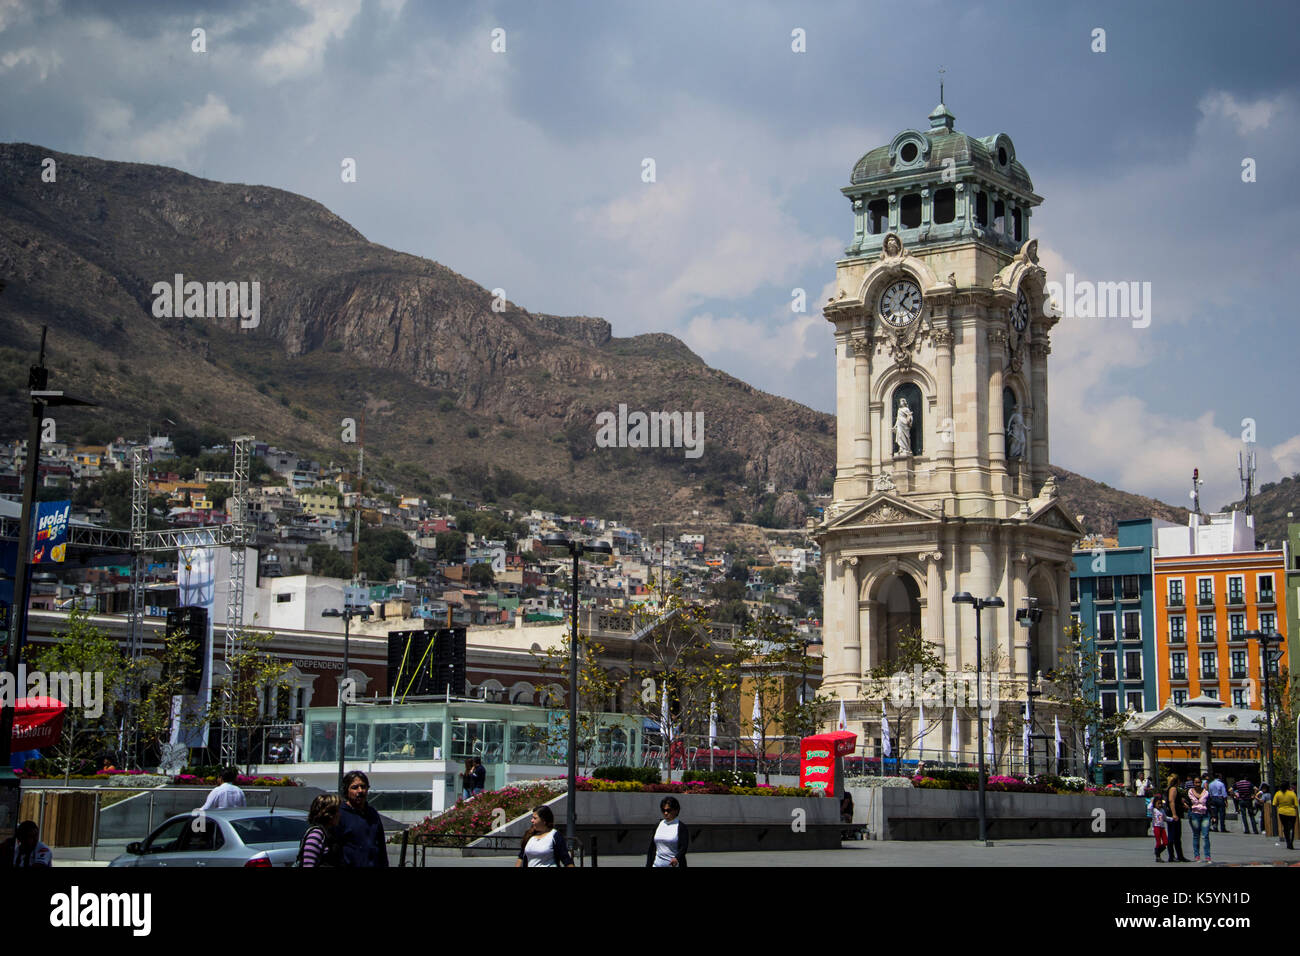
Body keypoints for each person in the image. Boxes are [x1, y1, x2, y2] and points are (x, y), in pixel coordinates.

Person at [335, 770, 388, 867]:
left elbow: (381, 847)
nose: (360, 791)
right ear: (347, 790)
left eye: (363, 787)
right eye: (355, 787)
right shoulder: (339, 815)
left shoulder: (372, 814)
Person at [297, 793, 342, 868]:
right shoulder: (316, 835)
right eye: (337, 811)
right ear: (328, 814)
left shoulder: (331, 834)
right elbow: (308, 864)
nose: (340, 814)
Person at [646, 796, 688, 867]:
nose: (665, 813)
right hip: (656, 864)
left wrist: (676, 858)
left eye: (668, 810)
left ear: (676, 810)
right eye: (663, 810)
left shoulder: (681, 827)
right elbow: (652, 848)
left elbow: (684, 847)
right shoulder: (658, 825)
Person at [1164, 774, 1189, 862]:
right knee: (1174, 836)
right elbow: (1171, 801)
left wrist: (1182, 803)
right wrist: (1174, 814)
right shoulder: (1173, 789)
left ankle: (1178, 855)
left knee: (1176, 836)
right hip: (1173, 816)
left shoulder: (1170, 788)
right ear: (1177, 781)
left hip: (1172, 815)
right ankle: (1173, 856)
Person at [1187, 777, 1211, 863]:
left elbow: (1209, 803)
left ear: (1201, 782)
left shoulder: (1206, 792)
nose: (1197, 784)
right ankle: (1197, 856)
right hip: (1194, 814)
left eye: (1199, 782)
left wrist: (1214, 815)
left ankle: (1207, 856)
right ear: (1193, 783)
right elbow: (1187, 802)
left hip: (1205, 815)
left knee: (1205, 835)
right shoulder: (1190, 792)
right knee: (1196, 835)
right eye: (1196, 782)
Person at [1272, 781, 1297, 850]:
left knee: (1285, 827)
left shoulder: (1278, 793)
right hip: (1292, 812)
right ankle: (1291, 843)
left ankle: (1288, 842)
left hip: (1282, 812)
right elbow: (1296, 804)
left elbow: (1274, 803)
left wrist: (1280, 806)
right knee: (1292, 827)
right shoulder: (1292, 793)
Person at [1151, 795, 1168, 862]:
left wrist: (1172, 819)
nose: (1160, 805)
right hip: (1156, 827)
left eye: (1160, 803)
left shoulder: (1162, 810)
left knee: (1165, 842)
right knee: (1158, 842)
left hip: (1162, 827)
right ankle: (1158, 856)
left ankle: (1157, 851)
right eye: (1158, 803)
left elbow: (1165, 818)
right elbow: (1149, 807)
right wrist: (1152, 800)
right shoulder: (1153, 810)